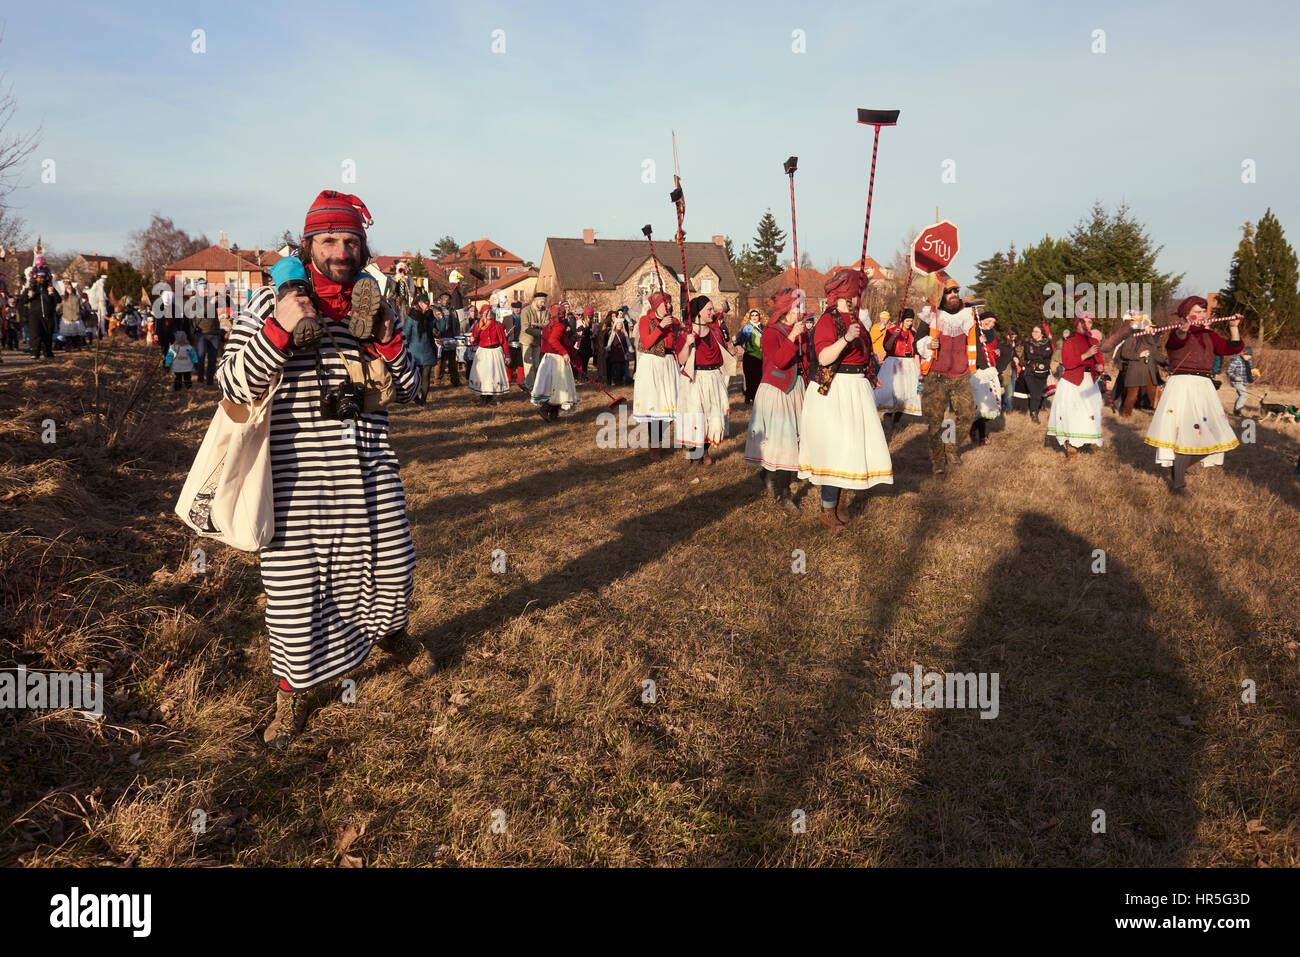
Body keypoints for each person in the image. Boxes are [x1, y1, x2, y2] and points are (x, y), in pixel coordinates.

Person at [215, 190, 429, 748]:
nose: (341, 250)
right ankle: (294, 695)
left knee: (392, 569)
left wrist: (386, 342)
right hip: (297, 480)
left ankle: (389, 636)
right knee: (296, 596)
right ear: (309, 244)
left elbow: (412, 390)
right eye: (329, 240)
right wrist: (281, 332)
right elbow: (233, 387)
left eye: (351, 240)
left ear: (363, 246)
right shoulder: (268, 305)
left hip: (372, 468)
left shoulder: (379, 310)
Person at [798, 268, 893, 527]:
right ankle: (827, 508)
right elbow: (825, 357)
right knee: (835, 448)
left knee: (852, 446)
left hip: (857, 388)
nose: (857, 297)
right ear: (845, 292)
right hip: (835, 389)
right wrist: (846, 338)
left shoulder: (857, 320)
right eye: (855, 292)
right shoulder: (828, 321)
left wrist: (872, 374)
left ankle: (841, 499)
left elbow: (864, 354)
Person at [1144, 296, 1244, 493]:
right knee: (1186, 434)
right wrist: (1183, 329)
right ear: (1185, 314)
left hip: (1204, 386)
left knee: (1215, 434)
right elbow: (1176, 342)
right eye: (1195, 312)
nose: (1200, 315)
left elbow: (1231, 348)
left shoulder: (1210, 335)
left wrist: (1234, 327)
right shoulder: (1176, 332)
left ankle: (1178, 469)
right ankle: (1179, 484)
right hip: (1183, 385)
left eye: (1203, 312)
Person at [744, 288, 811, 510]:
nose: (802, 312)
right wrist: (793, 337)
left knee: (792, 443)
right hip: (776, 391)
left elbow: (806, 363)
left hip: (796, 390)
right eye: (797, 307)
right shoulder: (771, 333)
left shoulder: (801, 331)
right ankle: (784, 494)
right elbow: (780, 361)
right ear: (785, 310)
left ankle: (768, 474)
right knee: (784, 444)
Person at [920, 280, 978, 478]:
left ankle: (950, 448)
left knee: (967, 415)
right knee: (936, 420)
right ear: (941, 295)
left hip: (961, 374)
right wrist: (928, 344)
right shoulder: (931, 314)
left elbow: (975, 341)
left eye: (956, 291)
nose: (953, 294)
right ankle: (938, 459)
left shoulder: (969, 314)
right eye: (948, 291)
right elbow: (916, 342)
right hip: (936, 375)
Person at [676, 296, 736, 465]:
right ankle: (695, 452)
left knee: (712, 416)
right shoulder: (686, 333)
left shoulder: (715, 331)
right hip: (695, 379)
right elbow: (681, 360)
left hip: (713, 378)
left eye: (712, 309)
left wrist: (733, 351)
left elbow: (721, 354)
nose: (712, 312)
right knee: (696, 416)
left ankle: (706, 450)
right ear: (699, 312)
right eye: (709, 309)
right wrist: (687, 344)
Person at [1047, 311, 1106, 461]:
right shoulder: (1069, 342)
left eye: (1090, 322)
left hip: (1089, 382)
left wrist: (1099, 367)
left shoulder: (1094, 342)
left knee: (1088, 412)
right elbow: (1067, 363)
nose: (1086, 325)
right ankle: (1071, 448)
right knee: (1071, 413)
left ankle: (1082, 439)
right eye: (1083, 322)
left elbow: (1099, 361)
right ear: (1077, 323)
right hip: (1072, 381)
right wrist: (1085, 355)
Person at [632, 292, 679, 459]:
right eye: (665, 303)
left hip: (669, 363)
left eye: (670, 303)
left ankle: (658, 438)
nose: (669, 306)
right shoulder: (646, 320)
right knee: (656, 406)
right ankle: (654, 445)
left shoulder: (674, 322)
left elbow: (677, 343)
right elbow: (646, 342)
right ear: (656, 305)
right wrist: (660, 327)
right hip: (652, 364)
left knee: (671, 405)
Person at [874, 307, 922, 434]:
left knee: (905, 393)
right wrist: (894, 336)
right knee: (892, 391)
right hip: (893, 363)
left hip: (908, 364)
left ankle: (896, 422)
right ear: (902, 320)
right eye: (907, 321)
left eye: (911, 321)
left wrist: (919, 369)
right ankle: (888, 418)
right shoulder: (891, 331)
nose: (909, 323)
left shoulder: (913, 333)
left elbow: (916, 351)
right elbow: (887, 347)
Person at [531, 302, 579, 419]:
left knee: (552, 386)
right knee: (558, 386)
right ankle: (545, 409)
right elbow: (553, 340)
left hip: (549, 358)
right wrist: (564, 352)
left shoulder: (549, 325)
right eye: (563, 313)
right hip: (557, 359)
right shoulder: (559, 326)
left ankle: (553, 415)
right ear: (560, 314)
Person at [969, 310, 1003, 447]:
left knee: (991, 404)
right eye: (990, 321)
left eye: (994, 322)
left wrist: (996, 352)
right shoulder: (974, 332)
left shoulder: (992, 336)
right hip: (977, 372)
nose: (992, 324)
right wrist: (977, 341)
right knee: (981, 405)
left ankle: (974, 427)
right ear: (981, 321)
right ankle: (982, 436)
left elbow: (990, 354)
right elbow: (970, 350)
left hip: (990, 371)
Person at [468, 304, 511, 403]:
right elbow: (473, 339)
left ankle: (493, 396)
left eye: (490, 312)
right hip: (483, 352)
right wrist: (472, 339)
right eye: (486, 312)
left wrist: (507, 355)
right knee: (484, 374)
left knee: (494, 374)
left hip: (495, 352)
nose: (489, 314)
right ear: (482, 314)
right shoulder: (477, 325)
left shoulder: (497, 324)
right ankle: (483, 396)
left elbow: (503, 341)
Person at [404, 294, 439, 404]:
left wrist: (441, 318)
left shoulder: (430, 316)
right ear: (419, 303)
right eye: (425, 302)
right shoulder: (412, 317)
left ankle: (423, 399)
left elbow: (441, 328)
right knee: (416, 377)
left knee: (426, 376)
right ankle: (415, 397)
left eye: (428, 302)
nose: (427, 304)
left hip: (428, 349)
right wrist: (406, 350)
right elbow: (406, 334)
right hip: (415, 351)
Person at [25, 260, 59, 360]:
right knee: (36, 335)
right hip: (35, 316)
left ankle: (47, 352)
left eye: (43, 277)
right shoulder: (31, 288)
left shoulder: (50, 288)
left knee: (48, 335)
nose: (41, 279)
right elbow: (23, 300)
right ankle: (35, 353)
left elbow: (59, 300)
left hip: (48, 315)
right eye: (39, 277)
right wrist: (29, 296)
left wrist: (53, 294)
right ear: (35, 277)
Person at [1022, 323, 1053, 424]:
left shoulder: (1047, 343)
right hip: (1030, 372)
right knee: (1034, 393)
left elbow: (1049, 353)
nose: (1033, 333)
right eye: (1033, 331)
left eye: (1036, 331)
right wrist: (1041, 355)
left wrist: (1035, 353)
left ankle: (1034, 409)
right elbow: (1028, 356)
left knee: (1039, 394)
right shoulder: (1028, 343)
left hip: (1043, 373)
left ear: (1042, 334)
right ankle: (1034, 413)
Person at [519, 291, 548, 391]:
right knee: (529, 365)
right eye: (541, 302)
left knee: (537, 365)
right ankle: (531, 388)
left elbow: (547, 324)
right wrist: (541, 332)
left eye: (544, 302)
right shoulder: (525, 311)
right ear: (535, 301)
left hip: (537, 341)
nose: (543, 304)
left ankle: (523, 382)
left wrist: (538, 325)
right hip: (526, 341)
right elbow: (526, 328)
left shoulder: (545, 310)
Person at [735, 309, 765, 406]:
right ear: (749, 317)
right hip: (750, 356)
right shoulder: (746, 328)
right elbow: (738, 341)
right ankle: (748, 398)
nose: (755, 317)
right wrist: (738, 346)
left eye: (756, 315)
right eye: (752, 315)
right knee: (749, 378)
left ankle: (757, 397)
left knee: (759, 378)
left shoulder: (764, 328)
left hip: (761, 357)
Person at [434, 291, 461, 387]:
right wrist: (435, 335)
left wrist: (457, 336)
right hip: (440, 338)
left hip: (451, 337)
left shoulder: (453, 310)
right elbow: (433, 325)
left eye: (447, 299)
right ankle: (437, 380)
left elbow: (457, 324)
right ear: (440, 300)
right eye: (443, 299)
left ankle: (455, 380)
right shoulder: (435, 310)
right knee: (439, 361)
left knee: (452, 361)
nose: (445, 301)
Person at [1225, 344, 1253, 417]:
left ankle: (1236, 412)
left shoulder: (1249, 362)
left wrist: (1252, 374)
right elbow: (1228, 371)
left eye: (1250, 355)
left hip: (1244, 382)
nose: (1248, 357)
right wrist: (1235, 378)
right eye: (1246, 355)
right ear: (1242, 354)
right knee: (1244, 394)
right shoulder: (1236, 361)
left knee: (1239, 395)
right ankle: (1238, 410)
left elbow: (1247, 372)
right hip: (1236, 381)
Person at [999, 327, 1020, 414]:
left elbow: (1014, 355)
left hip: (1013, 369)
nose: (1014, 339)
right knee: (1009, 391)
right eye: (1012, 337)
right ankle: (1009, 410)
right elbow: (1003, 357)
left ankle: (1002, 405)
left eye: (1015, 337)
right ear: (1007, 335)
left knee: (1010, 390)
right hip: (1005, 370)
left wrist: (1016, 357)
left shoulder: (1013, 344)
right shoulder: (1001, 344)